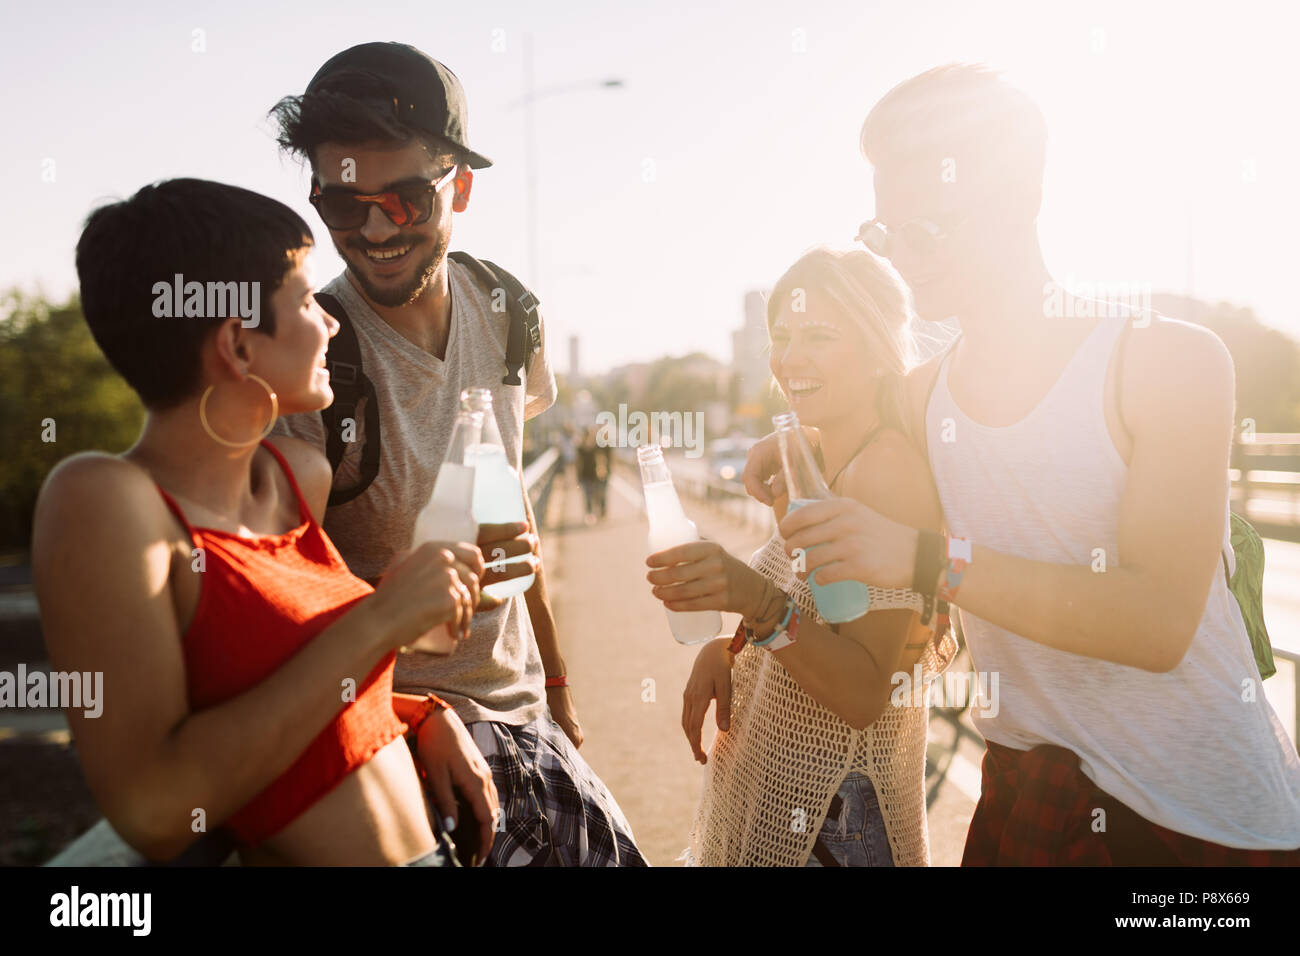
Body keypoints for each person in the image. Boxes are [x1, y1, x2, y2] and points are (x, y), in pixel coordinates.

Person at [744, 65, 1300, 864]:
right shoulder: (919, 394)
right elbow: (836, 411)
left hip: (1198, 821)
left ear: (1022, 197)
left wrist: (922, 559)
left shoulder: (1169, 363)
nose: (905, 258)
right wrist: (792, 443)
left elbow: (1157, 625)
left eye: (928, 230)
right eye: (886, 233)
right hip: (1027, 798)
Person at [33, 178, 523, 866]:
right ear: (238, 346)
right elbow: (155, 809)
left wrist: (413, 711)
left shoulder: (298, 476)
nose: (328, 322)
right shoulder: (103, 499)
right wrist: (383, 618)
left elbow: (283, 676)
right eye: (304, 300)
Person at [268, 42, 645, 865]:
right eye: (340, 205)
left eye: (402, 201)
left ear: (459, 187)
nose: (370, 232)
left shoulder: (507, 310)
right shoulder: (309, 365)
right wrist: (407, 700)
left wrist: (555, 687)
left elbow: (506, 502)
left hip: (523, 718)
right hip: (405, 740)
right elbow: (276, 607)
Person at [647, 247, 955, 866]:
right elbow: (817, 620)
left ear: (875, 349)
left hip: (832, 822)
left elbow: (866, 692)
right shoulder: (822, 462)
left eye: (820, 335)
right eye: (782, 336)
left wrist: (754, 600)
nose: (790, 359)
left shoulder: (886, 471)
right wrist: (729, 648)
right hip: (788, 809)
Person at [576, 426, 612, 523]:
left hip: (594, 476)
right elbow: (578, 463)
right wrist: (577, 477)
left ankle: (599, 511)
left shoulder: (596, 447)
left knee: (596, 495)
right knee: (587, 496)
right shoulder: (580, 448)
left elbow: (601, 459)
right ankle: (590, 514)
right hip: (585, 475)